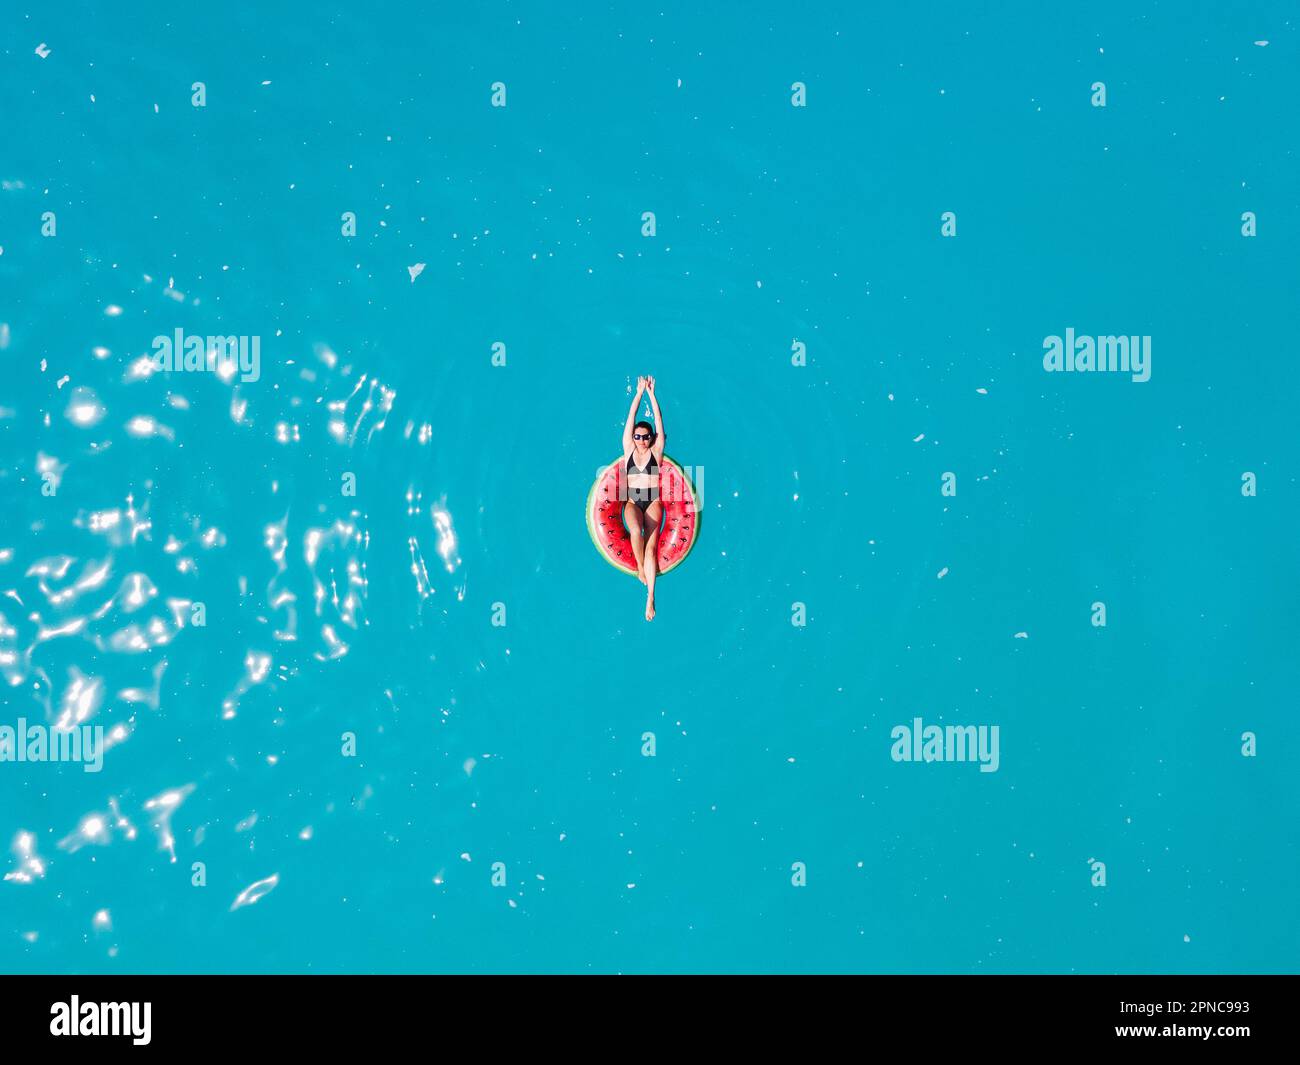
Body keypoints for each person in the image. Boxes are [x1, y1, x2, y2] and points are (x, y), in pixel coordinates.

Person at [621, 376, 666, 621]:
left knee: (652, 549)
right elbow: (630, 420)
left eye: (645, 436)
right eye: (638, 436)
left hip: (652, 502)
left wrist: (652, 394)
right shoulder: (628, 448)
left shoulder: (656, 452)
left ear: (651, 438)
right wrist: (639, 393)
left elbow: (658, 420)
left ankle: (650, 597)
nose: (641, 440)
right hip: (632, 503)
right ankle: (640, 567)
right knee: (635, 530)